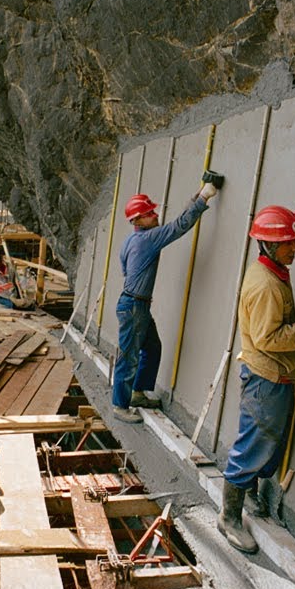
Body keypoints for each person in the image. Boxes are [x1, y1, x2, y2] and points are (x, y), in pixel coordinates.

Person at [218, 173, 295, 554]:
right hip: (265, 376)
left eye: (294, 240)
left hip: (275, 376)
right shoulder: (267, 287)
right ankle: (228, 516)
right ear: (271, 248)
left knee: (269, 438)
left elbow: (285, 233)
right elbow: (268, 338)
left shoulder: (272, 261)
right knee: (254, 441)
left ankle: (253, 492)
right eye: (289, 244)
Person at [111, 174, 221, 424]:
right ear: (137, 220)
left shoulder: (132, 240)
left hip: (134, 304)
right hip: (134, 306)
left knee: (151, 348)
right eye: (150, 213)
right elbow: (180, 225)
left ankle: (137, 393)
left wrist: (198, 194)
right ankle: (120, 406)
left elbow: (126, 269)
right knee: (128, 357)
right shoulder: (149, 239)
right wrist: (204, 197)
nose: (155, 215)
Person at [0, 245, 34, 310]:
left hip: (13, 294)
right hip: (2, 297)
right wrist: (7, 286)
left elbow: (19, 281)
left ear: (1, 257)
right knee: (16, 305)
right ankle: (16, 305)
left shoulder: (9, 268)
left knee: (23, 282)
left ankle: (21, 303)